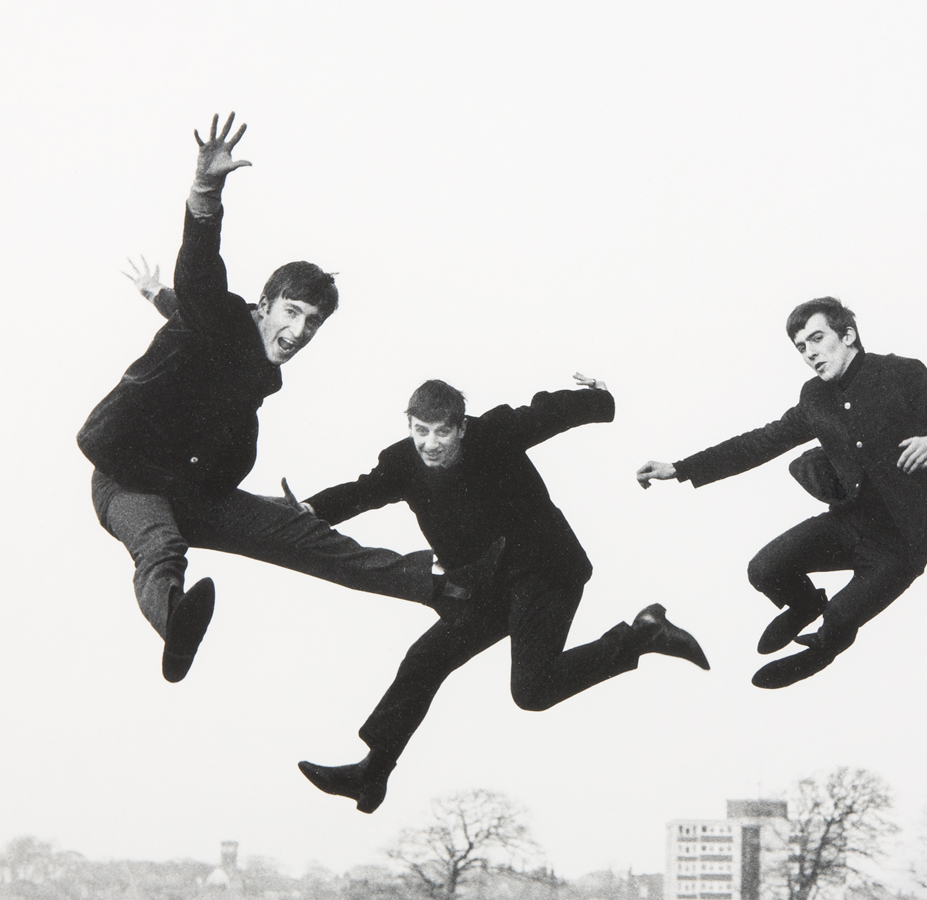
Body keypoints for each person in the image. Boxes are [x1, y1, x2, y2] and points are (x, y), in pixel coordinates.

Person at [79, 114, 461, 684]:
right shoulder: (218, 319)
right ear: (264, 305)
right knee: (160, 546)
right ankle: (175, 622)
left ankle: (437, 584)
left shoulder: (254, 372)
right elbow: (201, 284)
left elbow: (185, 319)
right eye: (292, 313)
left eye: (313, 323)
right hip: (124, 478)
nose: (301, 332)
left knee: (304, 534)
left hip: (190, 489)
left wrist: (156, 295)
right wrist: (206, 192)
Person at [293, 376, 710, 814]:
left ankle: (641, 635)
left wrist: (600, 398)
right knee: (425, 659)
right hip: (486, 586)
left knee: (532, 692)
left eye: (441, 432)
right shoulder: (401, 462)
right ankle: (371, 775)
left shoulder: (495, 434)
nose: (430, 444)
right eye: (420, 431)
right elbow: (363, 492)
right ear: (409, 426)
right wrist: (312, 509)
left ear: (461, 427)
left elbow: (552, 412)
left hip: (546, 569)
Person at [636, 299, 927, 689]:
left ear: (848, 335)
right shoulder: (815, 397)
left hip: (903, 544)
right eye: (801, 347)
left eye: (817, 339)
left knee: (838, 619)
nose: (810, 353)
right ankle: (804, 602)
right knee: (763, 570)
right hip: (849, 524)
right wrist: (681, 468)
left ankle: (820, 651)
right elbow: (761, 442)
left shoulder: (899, 373)